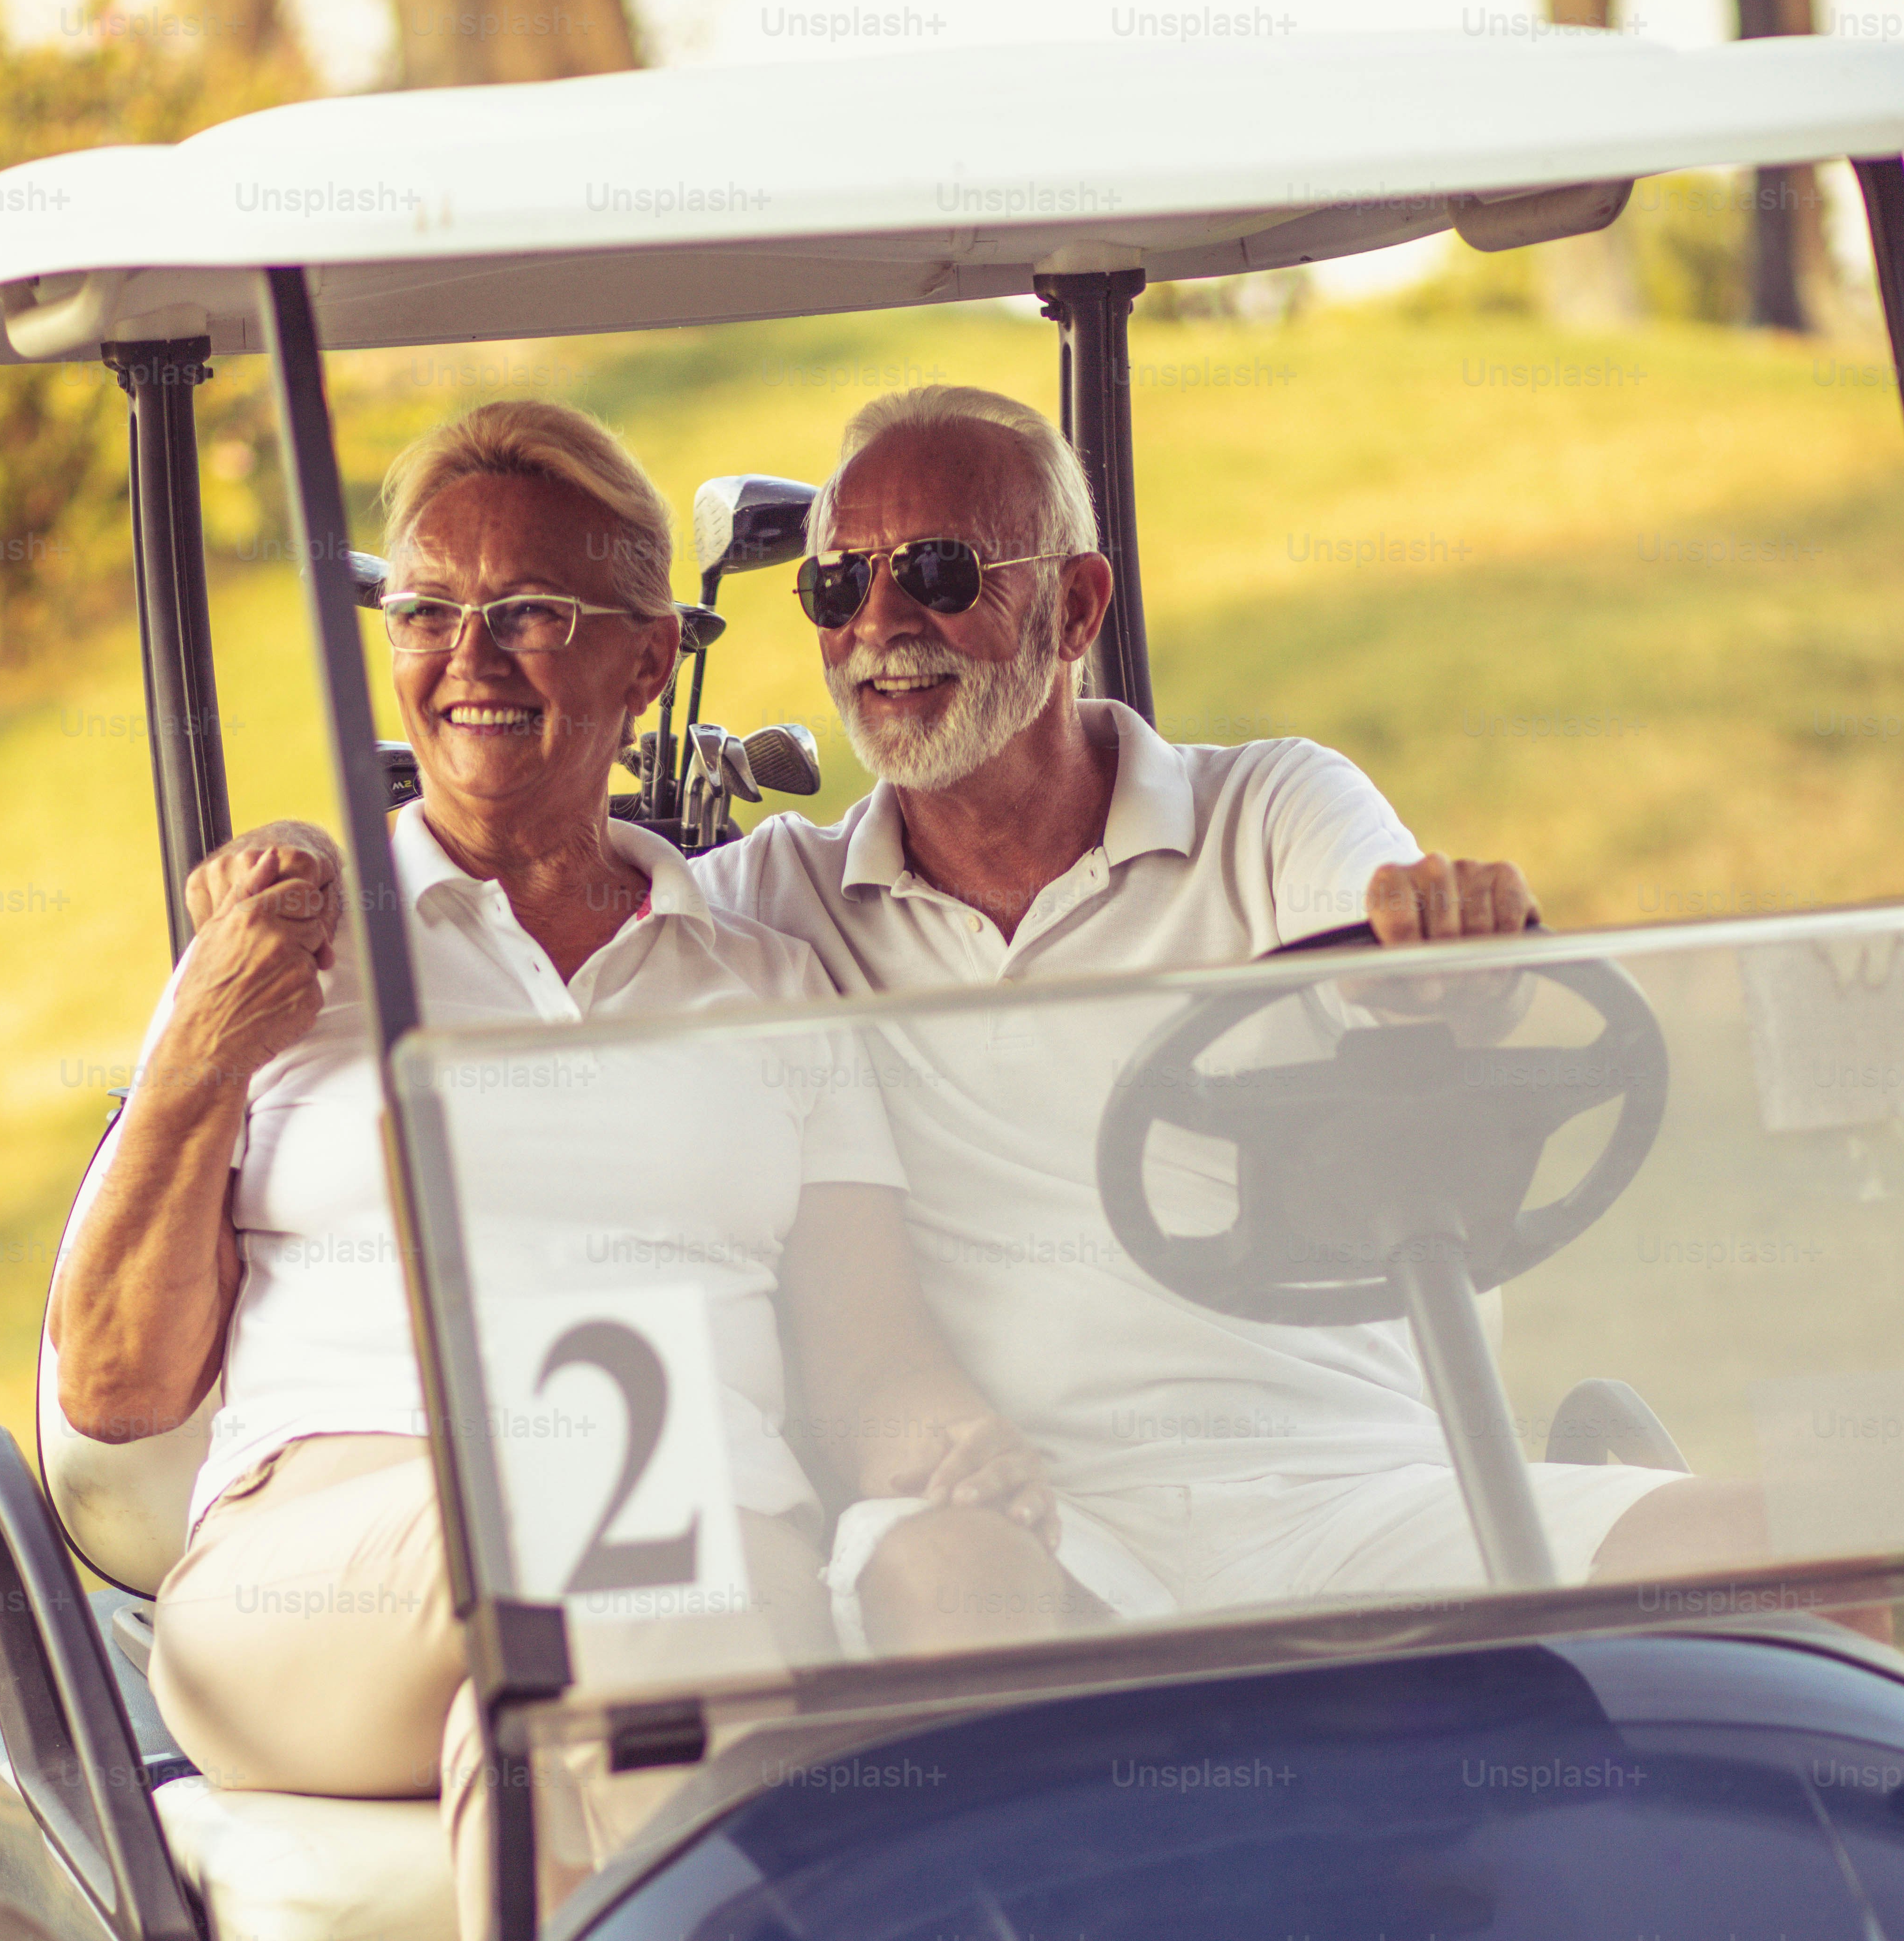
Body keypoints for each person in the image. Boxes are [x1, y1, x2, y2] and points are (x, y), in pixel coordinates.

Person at [49, 401, 1064, 1941]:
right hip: (325, 1577)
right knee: (607, 1524)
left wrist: (942, 1438)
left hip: (701, 1567)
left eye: (528, 614)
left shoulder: (772, 987)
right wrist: (197, 1046)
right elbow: (115, 1389)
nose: (470, 658)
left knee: (589, 1677)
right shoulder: (291, 958)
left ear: (647, 660)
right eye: (429, 613)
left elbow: (868, 1360)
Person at [690, 384, 1760, 1637]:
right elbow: (563, 944)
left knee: (1794, 1555)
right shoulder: (772, 901)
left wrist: (1445, 959)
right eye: (836, 587)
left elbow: (1383, 947)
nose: (880, 623)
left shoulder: (1270, 810)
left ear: (1077, 604)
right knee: (940, 1577)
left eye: (935, 570)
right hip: (1039, 1518)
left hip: (1371, 1487)